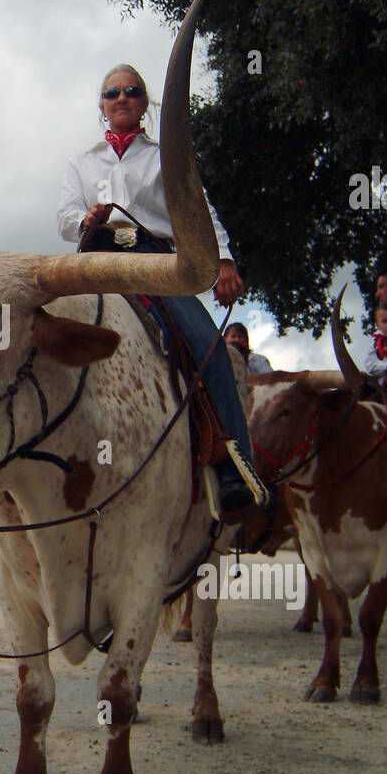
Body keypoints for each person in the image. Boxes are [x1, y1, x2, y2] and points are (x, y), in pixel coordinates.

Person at [57, 63, 268, 521]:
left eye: (131, 91)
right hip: (93, 260)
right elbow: (64, 219)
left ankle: (235, 466)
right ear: (102, 106)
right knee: (37, 330)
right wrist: (85, 220)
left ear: (143, 102)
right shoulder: (81, 163)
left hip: (153, 261)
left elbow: (200, 208)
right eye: (112, 92)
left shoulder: (166, 158)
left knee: (207, 345)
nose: (121, 98)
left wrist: (225, 261)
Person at [365, 304, 387, 384]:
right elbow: (369, 365)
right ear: (378, 326)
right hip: (385, 387)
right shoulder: (376, 345)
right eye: (384, 321)